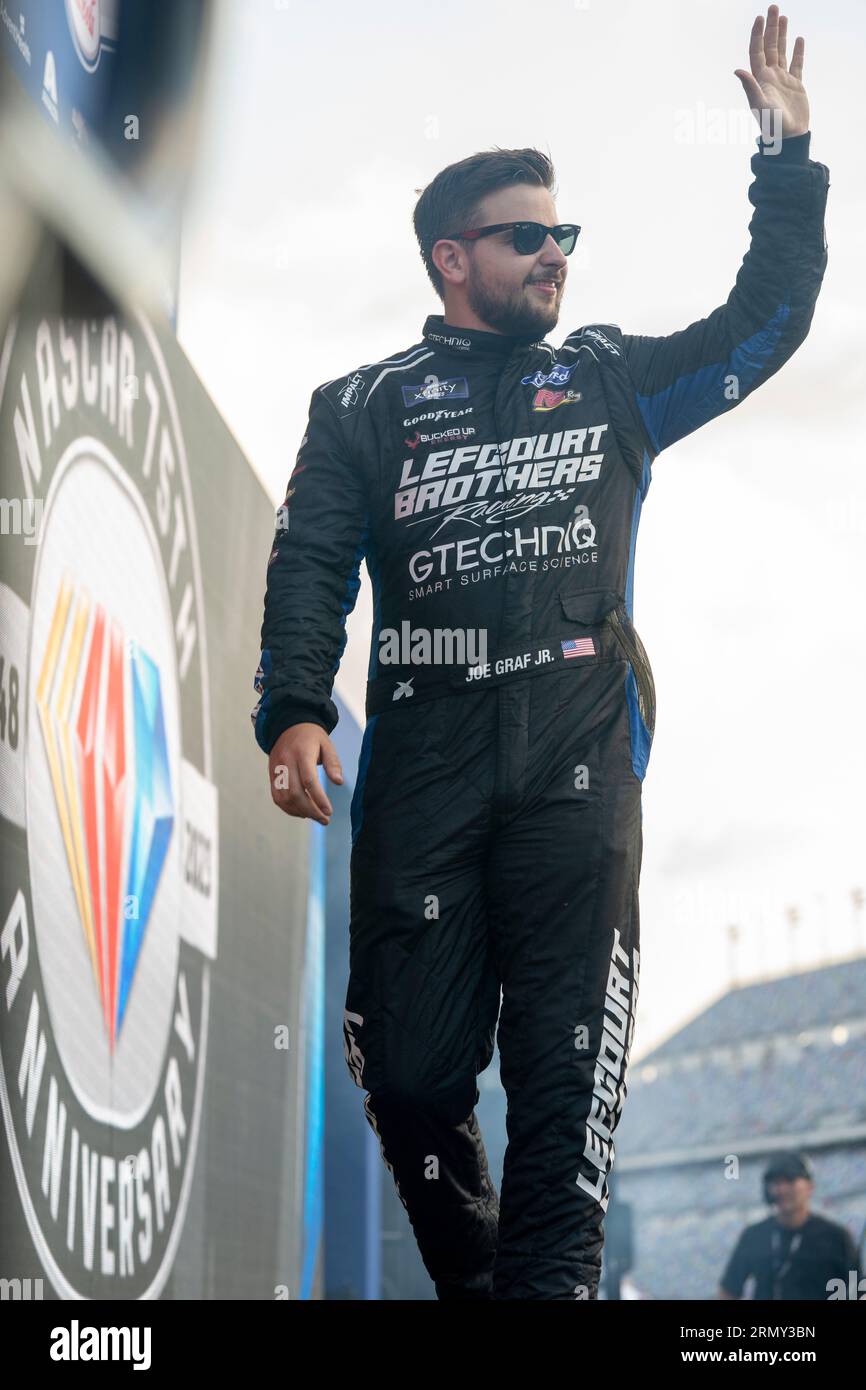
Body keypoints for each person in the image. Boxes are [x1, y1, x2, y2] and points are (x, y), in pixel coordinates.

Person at [252, 6, 829, 1299]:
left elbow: (764, 321)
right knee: (409, 1079)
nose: (555, 253)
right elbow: (309, 561)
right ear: (451, 257)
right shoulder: (359, 407)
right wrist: (293, 703)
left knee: (563, 1104)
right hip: (424, 764)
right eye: (527, 236)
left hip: (578, 763)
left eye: (564, 234)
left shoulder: (611, 376)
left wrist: (783, 162)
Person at [718, 1153, 864, 1300]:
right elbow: (728, 1292)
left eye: (790, 1181)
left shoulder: (835, 1237)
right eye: (776, 1183)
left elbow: (858, 1293)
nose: (782, 1190)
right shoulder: (754, 1236)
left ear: (810, 1186)